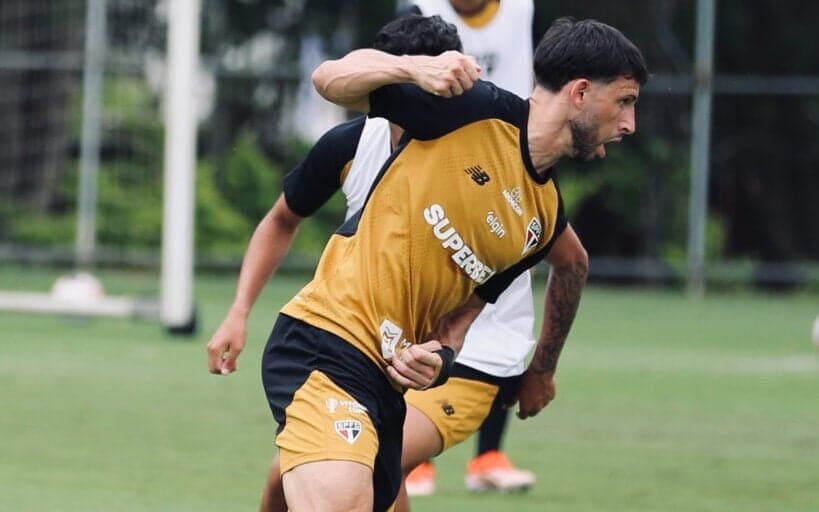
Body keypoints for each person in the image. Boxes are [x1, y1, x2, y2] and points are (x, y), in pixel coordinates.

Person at [213, 15, 647, 512]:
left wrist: (439, 358)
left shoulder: (543, 219)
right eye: (625, 101)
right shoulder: (472, 110)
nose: (630, 123)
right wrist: (416, 69)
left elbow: (459, 322)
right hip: (325, 342)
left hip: (386, 383)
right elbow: (328, 77)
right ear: (580, 92)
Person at [400, 0, 539, 495]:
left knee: (507, 313)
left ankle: (489, 456)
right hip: (447, 164)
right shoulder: (423, 9)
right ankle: (413, 455)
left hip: (511, 172)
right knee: (425, 300)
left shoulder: (520, 9)